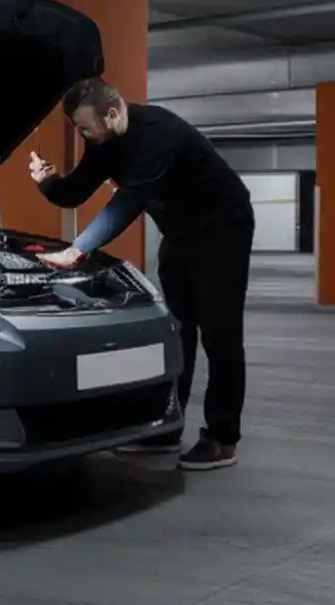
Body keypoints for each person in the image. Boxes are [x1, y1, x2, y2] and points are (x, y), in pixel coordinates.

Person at [30, 77, 255, 471]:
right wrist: (46, 182)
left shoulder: (157, 134)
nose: (81, 135)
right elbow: (77, 191)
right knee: (177, 329)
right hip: (181, 230)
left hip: (224, 227)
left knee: (219, 333)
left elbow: (130, 200)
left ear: (112, 113)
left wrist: (77, 249)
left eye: (83, 127)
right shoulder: (105, 141)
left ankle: (222, 438)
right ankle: (166, 428)